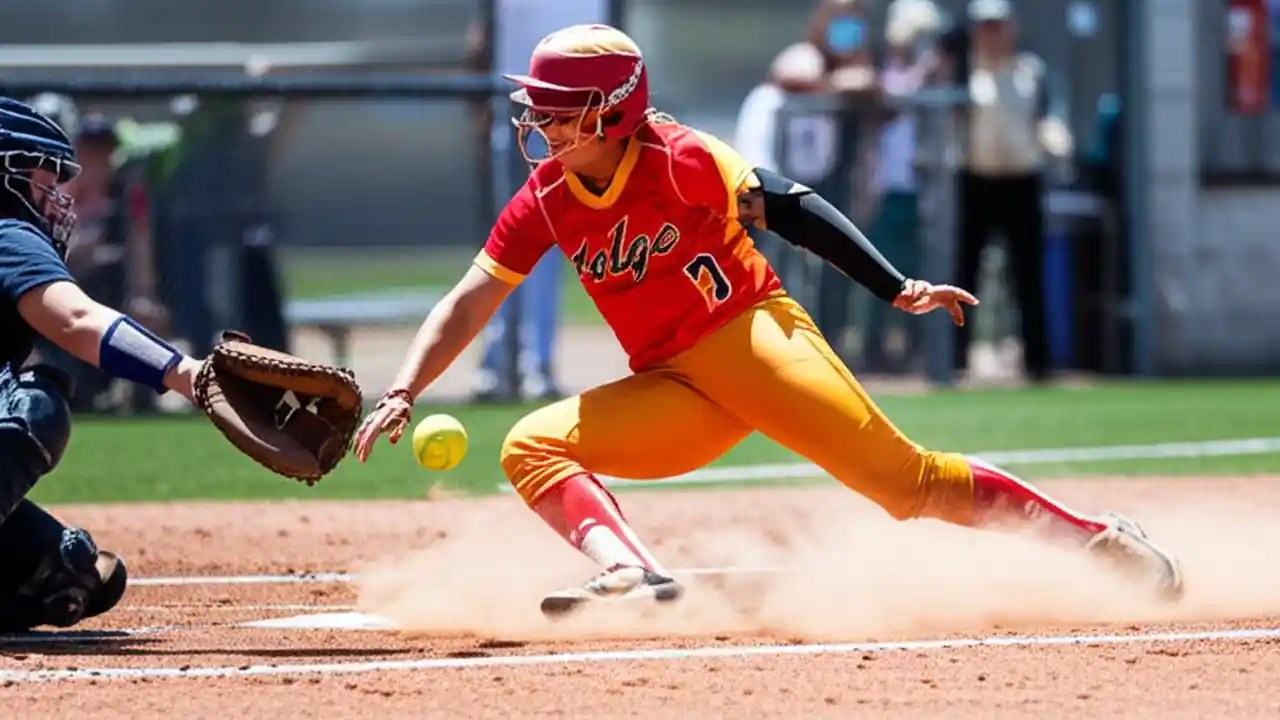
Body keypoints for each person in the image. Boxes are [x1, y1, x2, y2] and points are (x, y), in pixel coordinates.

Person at [352, 24, 1182, 618]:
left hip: (753, 340)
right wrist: (404, 386)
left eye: (560, 109)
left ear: (613, 111)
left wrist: (895, 287)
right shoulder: (547, 197)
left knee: (907, 485)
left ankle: (1096, 539)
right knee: (530, 444)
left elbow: (791, 205)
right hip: (672, 382)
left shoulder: (677, 156)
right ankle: (634, 575)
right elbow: (473, 295)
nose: (541, 122)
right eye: (540, 107)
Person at [0, 97, 207, 630]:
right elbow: (75, 320)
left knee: (58, 567)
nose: (55, 201)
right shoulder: (8, 231)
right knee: (33, 408)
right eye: (44, 182)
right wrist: (188, 375)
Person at [952, 0, 1074, 382]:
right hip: (977, 180)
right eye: (985, 25)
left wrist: (1056, 139)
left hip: (1022, 181)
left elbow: (1049, 117)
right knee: (964, 276)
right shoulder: (964, 74)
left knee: (1028, 275)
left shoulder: (1031, 72)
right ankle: (957, 362)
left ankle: (1038, 363)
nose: (992, 33)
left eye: (998, 25)